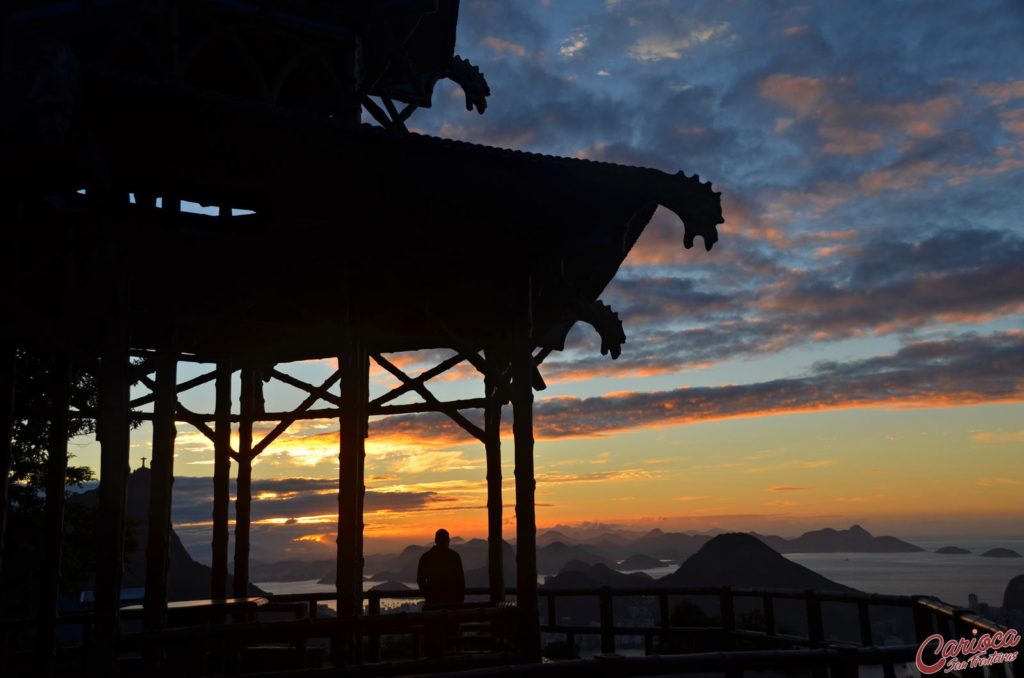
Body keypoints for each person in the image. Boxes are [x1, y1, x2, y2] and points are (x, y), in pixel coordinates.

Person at [416, 529, 465, 607]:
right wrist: (459, 600)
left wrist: (429, 596)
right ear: (448, 540)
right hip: (452, 602)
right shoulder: (454, 556)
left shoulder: (426, 557)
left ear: (435, 540)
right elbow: (461, 581)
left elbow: (420, 580)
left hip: (433, 603)